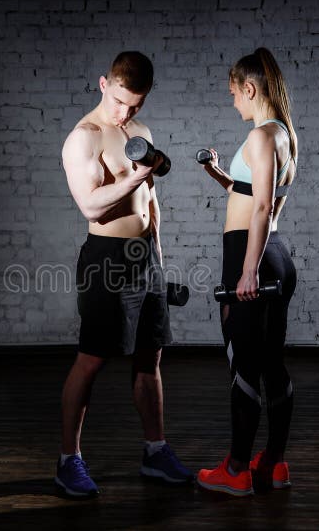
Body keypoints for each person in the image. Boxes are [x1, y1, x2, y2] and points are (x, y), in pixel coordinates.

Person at [55, 51, 193, 498]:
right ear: (103, 84)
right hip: (106, 258)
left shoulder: (140, 131)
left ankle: (156, 451)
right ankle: (68, 460)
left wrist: (158, 255)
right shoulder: (84, 138)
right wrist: (138, 175)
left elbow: (150, 200)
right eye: (119, 101)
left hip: (144, 257)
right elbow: (91, 205)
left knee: (150, 359)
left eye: (135, 105)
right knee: (92, 359)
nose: (125, 113)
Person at [196, 47, 298, 496]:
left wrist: (248, 270)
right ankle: (273, 464)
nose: (233, 101)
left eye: (235, 93)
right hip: (276, 252)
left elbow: (259, 206)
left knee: (243, 364)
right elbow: (259, 193)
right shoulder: (283, 135)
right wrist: (221, 176)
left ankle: (236, 470)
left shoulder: (260, 136)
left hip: (250, 255)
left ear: (250, 89)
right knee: (271, 363)